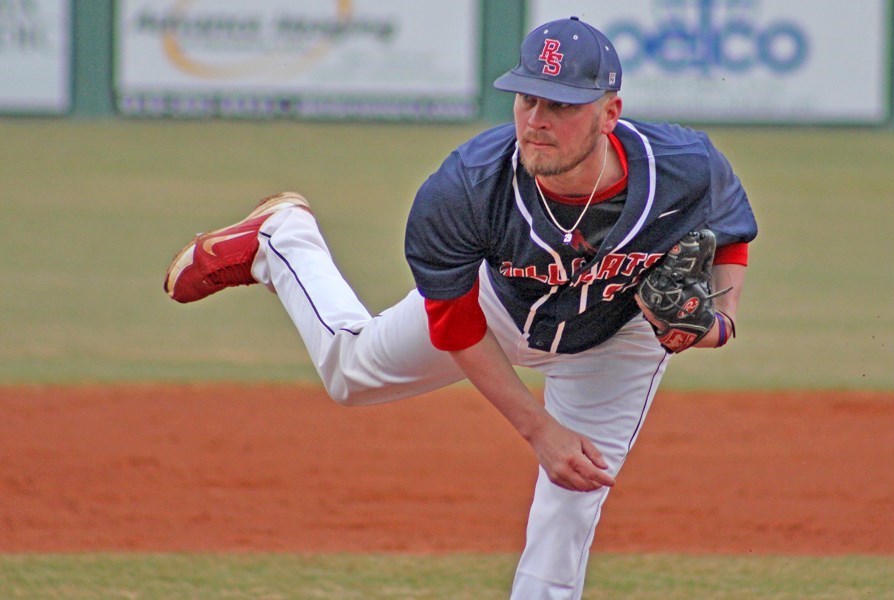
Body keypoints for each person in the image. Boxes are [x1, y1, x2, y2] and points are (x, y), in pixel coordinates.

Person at [163, 16, 757, 600]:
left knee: (573, 500)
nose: (537, 122)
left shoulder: (684, 167)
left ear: (609, 113)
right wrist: (539, 429)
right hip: (492, 307)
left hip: (613, 336)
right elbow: (453, 320)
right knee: (348, 375)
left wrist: (716, 326)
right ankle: (284, 239)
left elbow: (730, 231)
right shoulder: (465, 187)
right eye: (528, 99)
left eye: (563, 105)